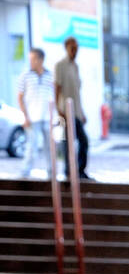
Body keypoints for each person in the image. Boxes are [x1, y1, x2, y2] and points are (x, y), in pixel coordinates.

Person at [53, 36, 91, 180]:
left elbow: (77, 93)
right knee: (68, 143)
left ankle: (80, 170)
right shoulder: (60, 65)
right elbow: (56, 88)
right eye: (72, 48)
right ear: (67, 48)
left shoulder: (76, 67)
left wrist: (82, 113)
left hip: (77, 112)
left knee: (84, 141)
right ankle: (69, 172)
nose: (75, 51)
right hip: (65, 112)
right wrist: (58, 111)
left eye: (77, 48)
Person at [16, 47, 54, 179]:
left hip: (47, 117)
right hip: (32, 117)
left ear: (40, 60)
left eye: (33, 59)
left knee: (50, 147)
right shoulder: (25, 76)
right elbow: (20, 97)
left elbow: (53, 95)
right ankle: (24, 175)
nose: (31, 62)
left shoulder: (50, 75)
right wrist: (25, 117)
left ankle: (51, 175)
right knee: (31, 147)